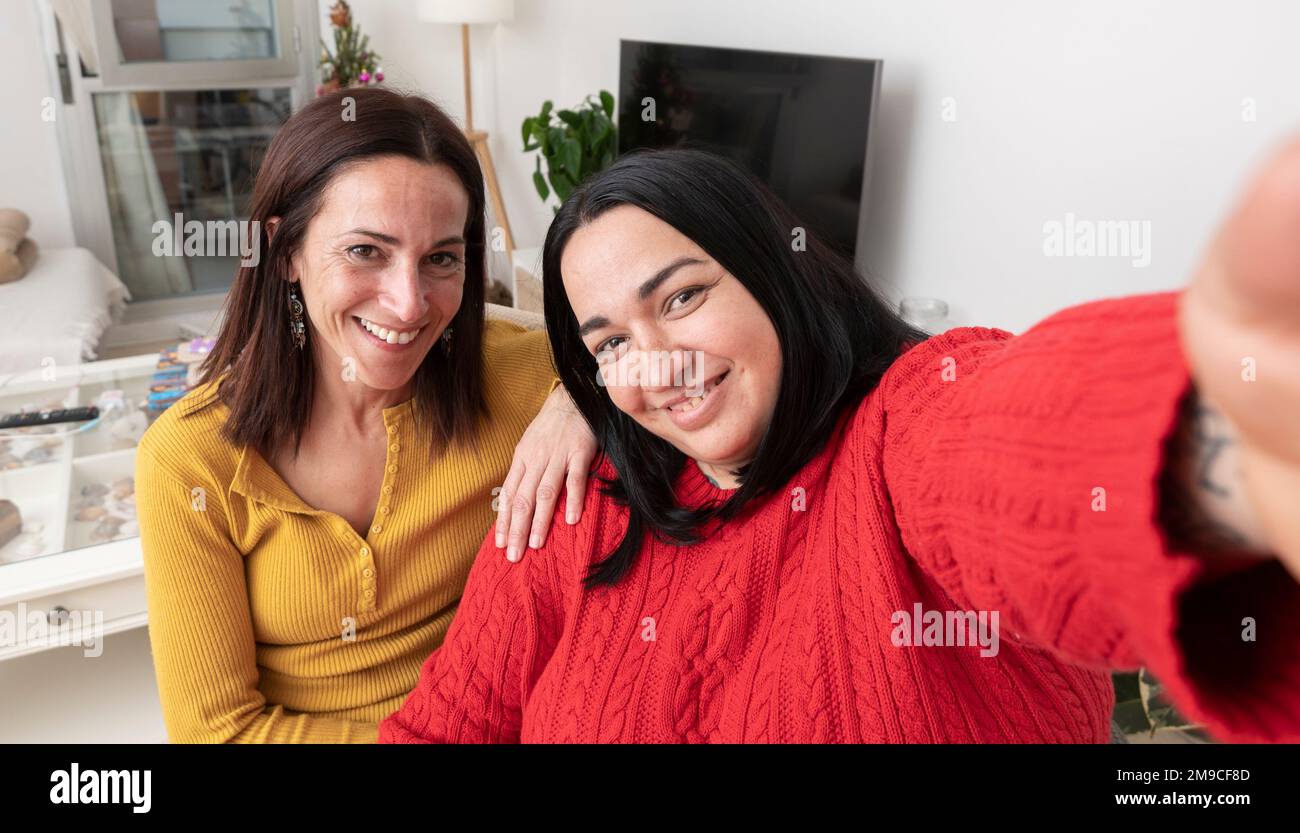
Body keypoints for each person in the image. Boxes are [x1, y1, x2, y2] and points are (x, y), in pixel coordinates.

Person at [379, 145, 1300, 743]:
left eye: (684, 297)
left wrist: (1218, 446)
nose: (653, 366)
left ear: (775, 273)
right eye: (611, 342)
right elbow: (441, 728)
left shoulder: (901, 429)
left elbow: (1011, 442)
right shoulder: (578, 503)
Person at [135, 88, 596, 743]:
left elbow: (662, 359)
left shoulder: (519, 375)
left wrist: (584, 394)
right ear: (285, 250)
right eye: (366, 251)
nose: (409, 304)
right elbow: (218, 732)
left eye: (440, 257)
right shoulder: (187, 460)